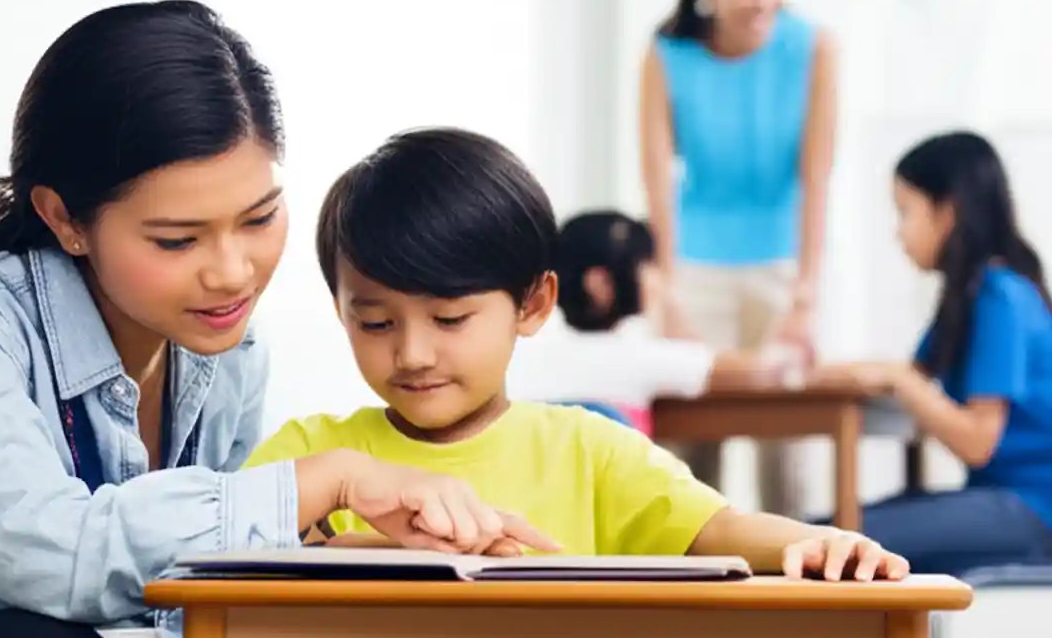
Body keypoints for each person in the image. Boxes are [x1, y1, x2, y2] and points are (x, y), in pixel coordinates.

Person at [0, 2, 554, 638]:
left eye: (259, 219)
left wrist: (388, 563)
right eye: (177, 240)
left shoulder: (225, 346)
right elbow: (58, 560)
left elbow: (186, 588)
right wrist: (334, 479)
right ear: (63, 219)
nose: (233, 272)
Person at [246, 127, 906, 580]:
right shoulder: (311, 456)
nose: (413, 353)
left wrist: (818, 541)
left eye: (450, 318)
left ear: (532, 305)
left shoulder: (589, 450)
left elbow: (717, 529)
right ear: (341, 312)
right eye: (376, 322)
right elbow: (218, 551)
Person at [639, 0, 838, 513]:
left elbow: (816, 176)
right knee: (687, 454)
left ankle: (802, 591)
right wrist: (667, 293)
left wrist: (805, 295)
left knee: (788, 455)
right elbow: (657, 179)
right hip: (695, 268)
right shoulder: (667, 53)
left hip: (782, 266)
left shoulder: (814, 47)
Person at [816, 132, 1052, 576]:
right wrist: (813, 371)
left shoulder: (999, 297)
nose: (897, 232)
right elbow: (907, 372)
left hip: (1035, 509)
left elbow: (977, 442)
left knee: (823, 539)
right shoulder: (967, 299)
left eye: (905, 212)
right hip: (1005, 500)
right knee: (819, 533)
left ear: (948, 214)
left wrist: (901, 381)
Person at [510, 210, 792, 420]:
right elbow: (758, 371)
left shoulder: (527, 351)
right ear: (601, 284)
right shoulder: (639, 355)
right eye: (647, 265)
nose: (657, 278)